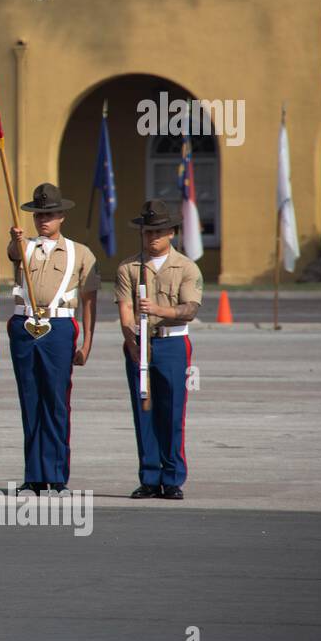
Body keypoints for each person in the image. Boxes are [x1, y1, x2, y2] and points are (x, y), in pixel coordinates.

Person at [7, 182, 98, 493]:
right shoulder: (23, 247)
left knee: (57, 402)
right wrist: (15, 240)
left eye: (50, 214)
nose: (43, 220)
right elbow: (11, 253)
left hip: (58, 327)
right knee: (30, 401)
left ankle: (57, 474)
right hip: (25, 325)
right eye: (38, 214)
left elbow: (89, 300)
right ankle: (34, 474)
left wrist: (87, 342)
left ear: (62, 216)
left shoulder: (81, 253)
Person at [115, 200, 202, 501]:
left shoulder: (186, 267)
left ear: (172, 233)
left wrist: (157, 309)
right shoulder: (129, 267)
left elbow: (189, 309)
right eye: (148, 231)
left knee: (172, 410)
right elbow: (125, 309)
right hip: (139, 344)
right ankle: (149, 477)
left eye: (160, 231)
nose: (152, 237)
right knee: (144, 411)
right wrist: (131, 342)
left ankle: (173, 477)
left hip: (172, 342)